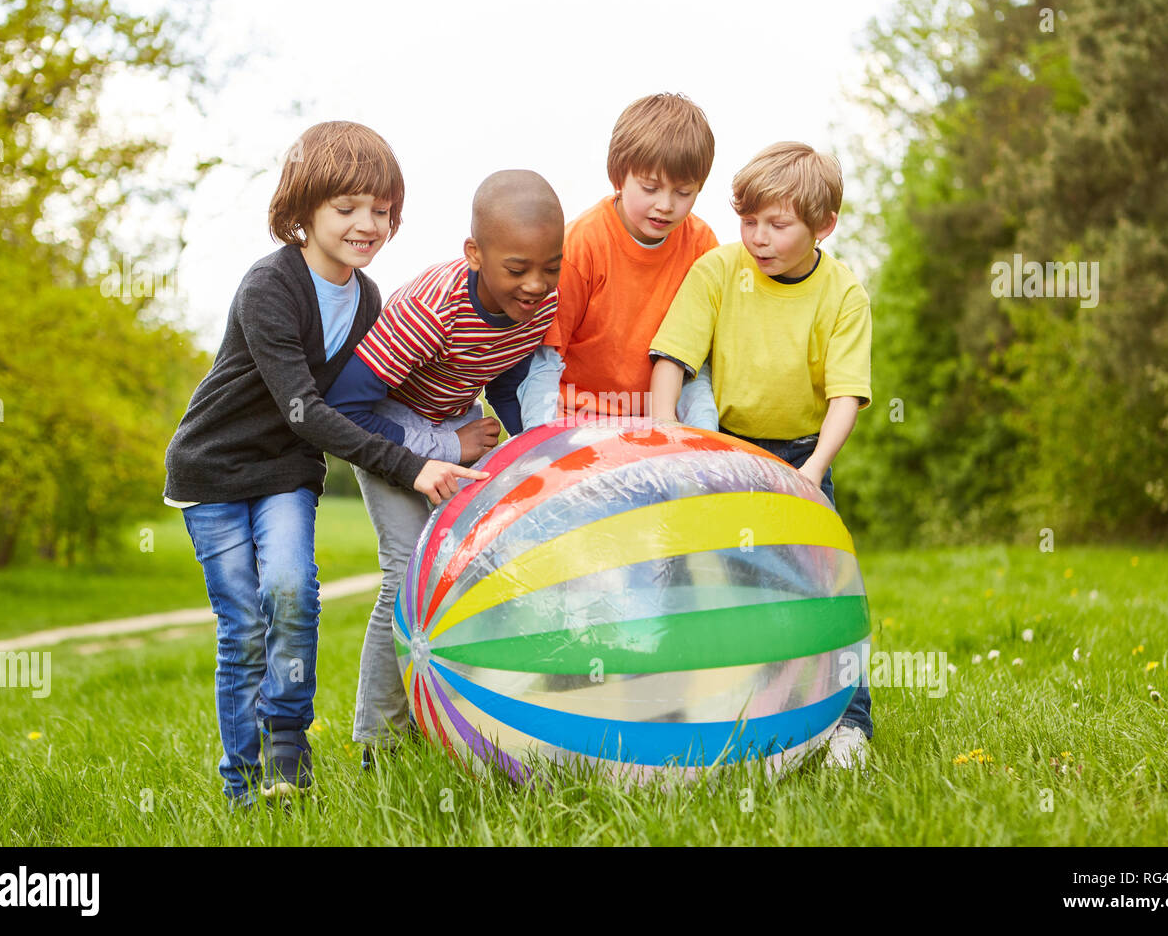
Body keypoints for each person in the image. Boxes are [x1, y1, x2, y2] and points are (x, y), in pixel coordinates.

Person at [163, 122, 484, 806]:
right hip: (213, 471)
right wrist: (412, 466)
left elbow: (377, 395)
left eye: (382, 210)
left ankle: (288, 741)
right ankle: (242, 782)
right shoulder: (269, 287)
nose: (368, 225)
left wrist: (450, 436)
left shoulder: (368, 298)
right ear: (301, 211)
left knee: (291, 591)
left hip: (285, 473)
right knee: (245, 622)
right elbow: (305, 409)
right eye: (348, 209)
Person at [324, 169, 565, 767]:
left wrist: (534, 447)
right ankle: (379, 743)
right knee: (406, 575)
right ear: (475, 254)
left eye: (550, 267)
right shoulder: (433, 309)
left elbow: (507, 373)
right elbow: (345, 411)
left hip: (456, 424)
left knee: (469, 573)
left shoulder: (539, 302)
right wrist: (444, 446)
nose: (536, 285)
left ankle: (460, 720)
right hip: (386, 431)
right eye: (517, 269)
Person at [648, 141, 875, 768]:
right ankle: (682, 709)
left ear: (823, 226)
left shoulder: (844, 295)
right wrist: (668, 433)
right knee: (693, 581)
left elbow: (846, 396)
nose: (758, 237)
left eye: (777, 225)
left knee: (820, 592)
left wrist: (813, 471)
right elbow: (673, 356)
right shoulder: (720, 271)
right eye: (749, 221)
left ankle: (850, 724)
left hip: (802, 454)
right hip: (725, 450)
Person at [517, 93, 719, 429]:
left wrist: (703, 439)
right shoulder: (581, 245)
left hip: (658, 422)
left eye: (683, 193)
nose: (665, 205)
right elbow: (545, 362)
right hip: (577, 422)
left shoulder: (702, 246)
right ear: (619, 177)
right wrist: (541, 444)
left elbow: (697, 367)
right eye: (650, 187)